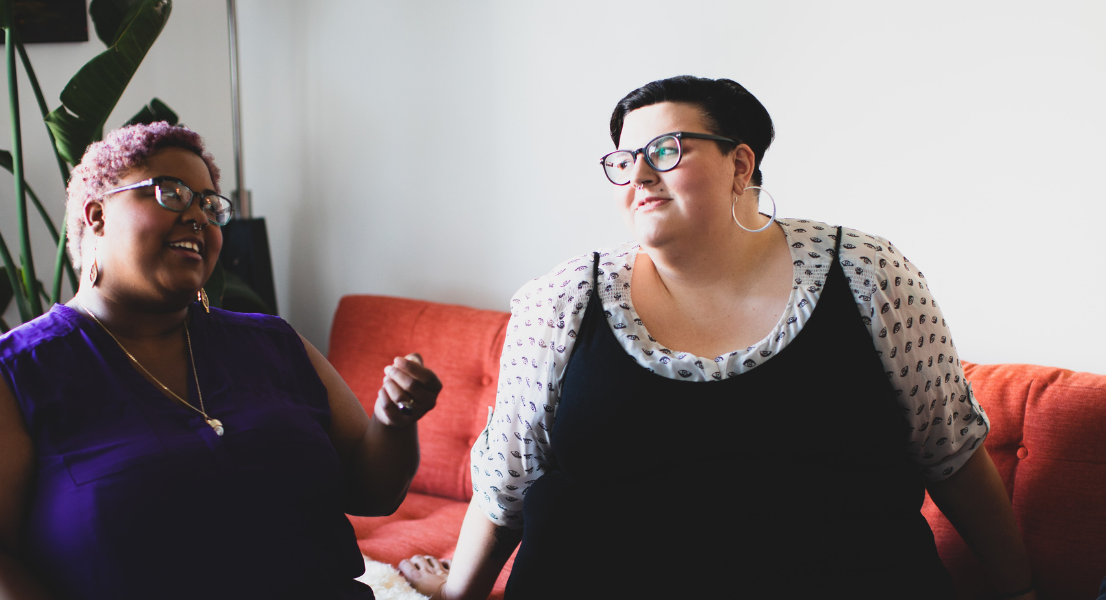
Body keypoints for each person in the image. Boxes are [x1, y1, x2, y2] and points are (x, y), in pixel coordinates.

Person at [400, 76, 1036, 599]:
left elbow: (950, 453)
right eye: (624, 161)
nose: (639, 175)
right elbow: (504, 484)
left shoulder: (869, 275)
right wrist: (460, 596)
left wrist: (1023, 592)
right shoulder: (561, 302)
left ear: (740, 164)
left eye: (667, 149)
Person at [0, 122, 442, 600]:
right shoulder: (6, 377)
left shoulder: (275, 345)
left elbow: (374, 491)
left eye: (211, 205)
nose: (197, 214)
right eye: (170, 193)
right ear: (96, 215)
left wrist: (394, 421)